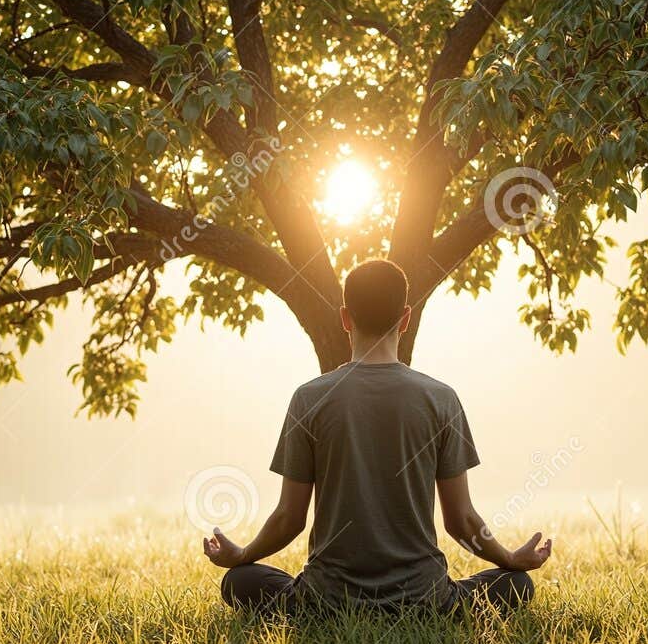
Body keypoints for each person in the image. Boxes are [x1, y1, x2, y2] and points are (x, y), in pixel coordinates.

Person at [199, 258, 553, 613]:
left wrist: (242, 554)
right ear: (405, 318)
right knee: (516, 584)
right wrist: (509, 558)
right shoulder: (441, 398)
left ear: (344, 318)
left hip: (327, 600)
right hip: (424, 598)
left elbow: (289, 519)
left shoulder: (308, 398)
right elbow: (461, 521)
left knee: (239, 580)